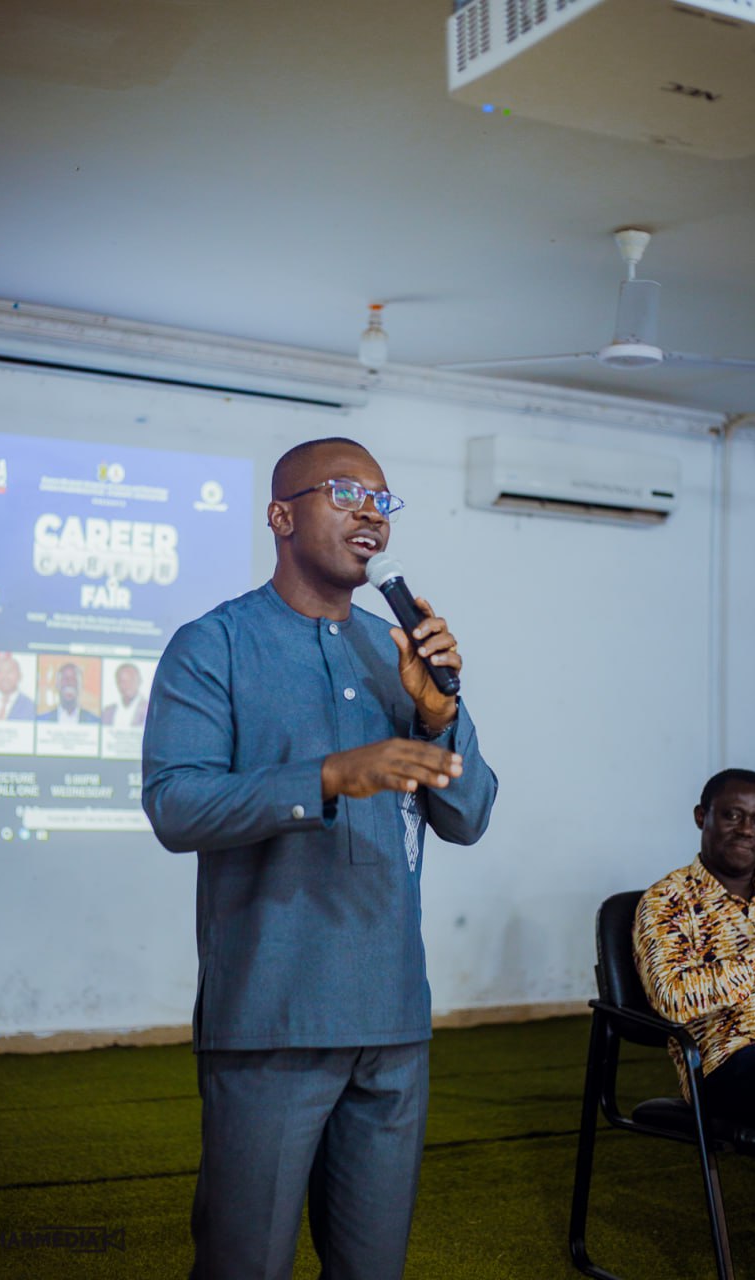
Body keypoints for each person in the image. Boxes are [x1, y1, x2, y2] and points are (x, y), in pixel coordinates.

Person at [142, 436, 497, 1280]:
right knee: (245, 1263)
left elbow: (470, 814)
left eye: (381, 497)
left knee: (372, 1266)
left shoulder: (395, 651)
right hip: (273, 1016)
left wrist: (440, 716)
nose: (369, 510)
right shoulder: (213, 645)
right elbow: (176, 806)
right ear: (281, 514)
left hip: (393, 1020)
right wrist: (333, 774)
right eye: (343, 492)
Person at [633, 768, 755, 1279]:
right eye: (732, 815)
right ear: (703, 817)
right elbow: (674, 1000)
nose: (746, 829)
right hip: (727, 1060)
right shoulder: (667, 901)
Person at [102, 662, 148, 727]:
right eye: (122, 681)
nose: (127, 685)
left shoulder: (149, 709)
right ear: (117, 684)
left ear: (139, 681)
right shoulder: (108, 712)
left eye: (131, 680)